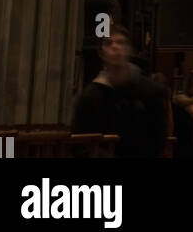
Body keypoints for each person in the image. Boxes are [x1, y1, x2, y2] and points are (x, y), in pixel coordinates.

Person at [71, 24, 170, 158]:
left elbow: (158, 138)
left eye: (121, 42)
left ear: (129, 50)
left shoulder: (150, 91)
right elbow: (80, 142)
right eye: (108, 43)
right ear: (101, 52)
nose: (115, 46)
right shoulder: (90, 97)